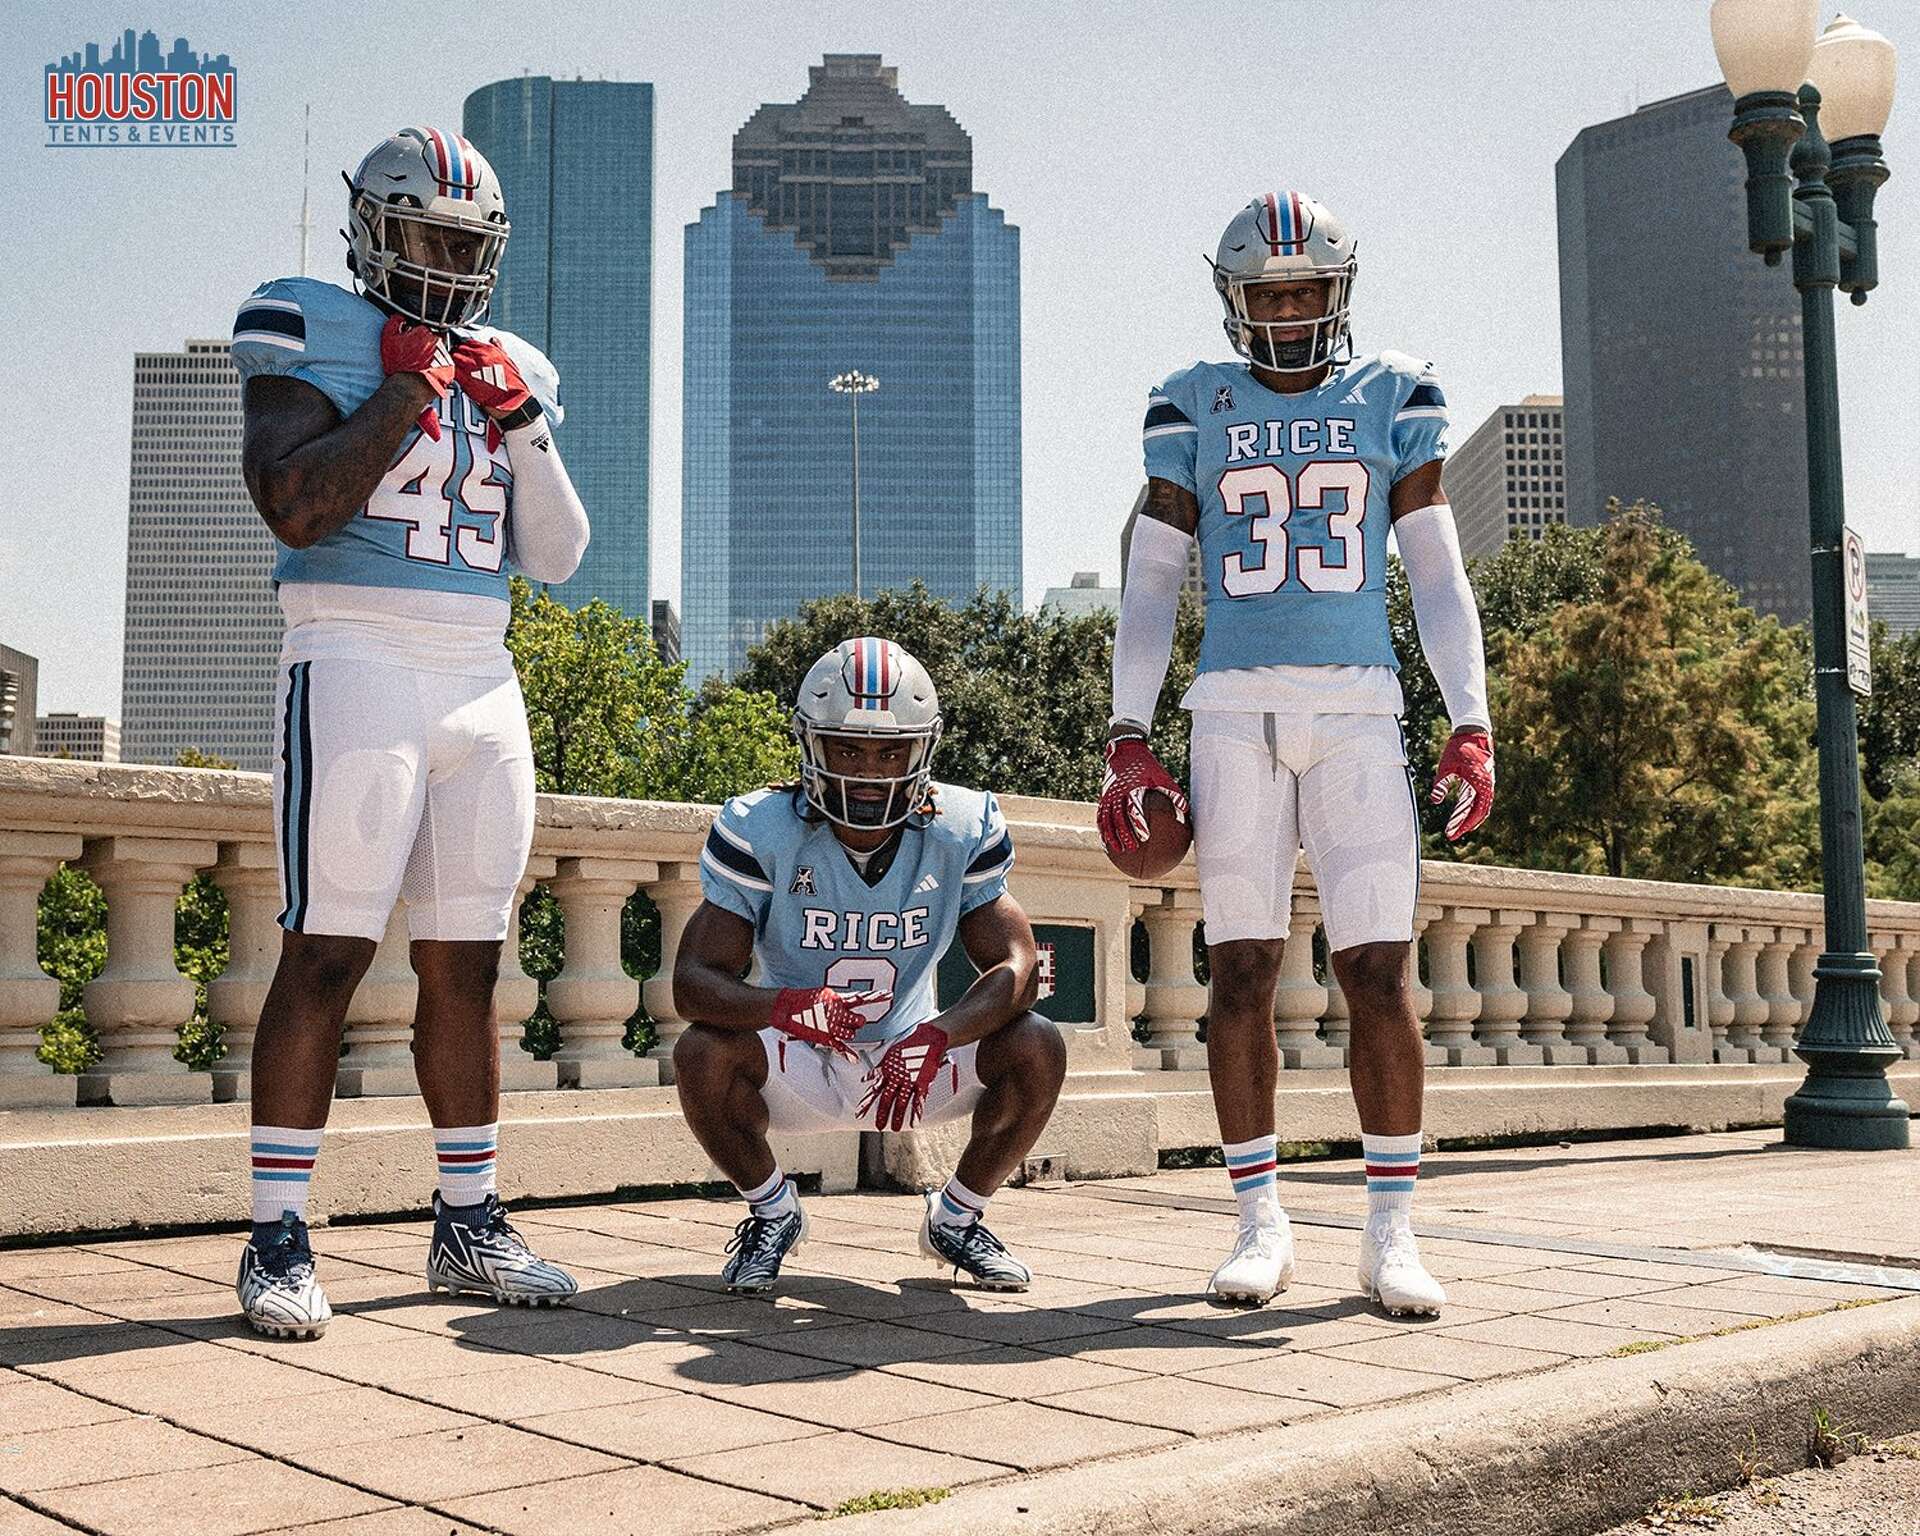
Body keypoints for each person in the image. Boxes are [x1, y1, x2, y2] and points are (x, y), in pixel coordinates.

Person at [1101, 191, 1495, 1316]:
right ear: (1234, 300)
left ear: (1338, 290)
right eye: (1266, 295)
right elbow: (1153, 578)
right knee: (1239, 972)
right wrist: (1128, 734)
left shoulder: (1392, 391)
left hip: (1360, 709)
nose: (1285, 312)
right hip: (1231, 711)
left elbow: (1436, 569)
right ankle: (1258, 1222)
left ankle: (1391, 1231)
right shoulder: (1192, 400)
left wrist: (1470, 720)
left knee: (1377, 971)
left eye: (1304, 292)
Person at [228, 127, 591, 1337]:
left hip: (481, 671)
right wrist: (405, 390)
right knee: (326, 949)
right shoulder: (306, 321)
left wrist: (520, 419)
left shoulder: (514, 360)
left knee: (469, 962)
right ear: (377, 229)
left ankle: (469, 1224)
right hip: (353, 651)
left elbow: (558, 557)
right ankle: (278, 1235)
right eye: (429, 237)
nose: (447, 262)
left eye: (465, 243)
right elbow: (294, 506)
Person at [672, 637, 1067, 1294]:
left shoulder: (960, 824)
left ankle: (958, 1219)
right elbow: (692, 984)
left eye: (889, 753)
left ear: (921, 751)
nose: (869, 772)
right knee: (701, 1053)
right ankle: (773, 1212)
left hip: (910, 1060)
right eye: (847, 750)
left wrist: (937, 1035)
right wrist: (787, 1008)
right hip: (799, 1059)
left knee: (1037, 1043)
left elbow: (1019, 966)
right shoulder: (762, 827)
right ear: (811, 745)